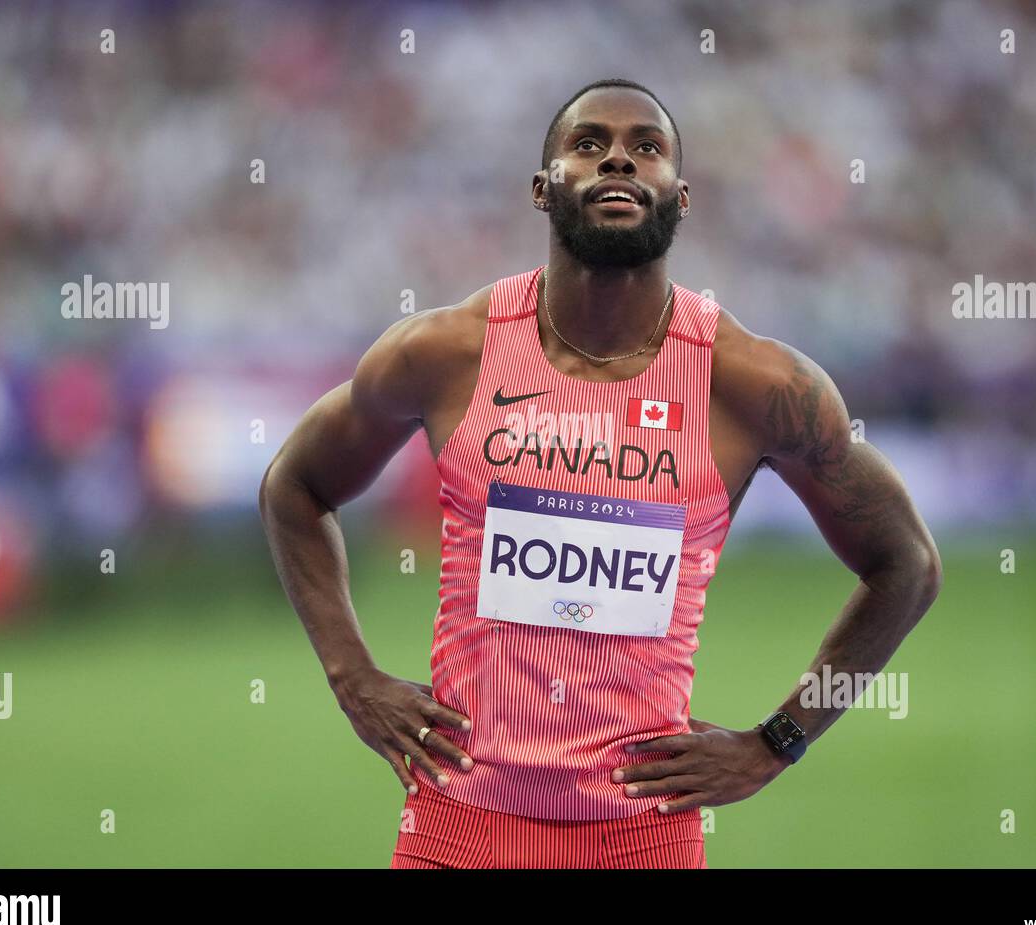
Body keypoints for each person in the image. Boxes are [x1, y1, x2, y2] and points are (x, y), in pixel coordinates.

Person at [259, 78, 942, 868]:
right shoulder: (444, 355)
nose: (619, 156)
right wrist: (353, 677)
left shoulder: (754, 384)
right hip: (457, 827)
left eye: (647, 147)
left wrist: (776, 743)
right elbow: (295, 486)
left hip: (643, 837)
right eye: (588, 143)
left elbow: (907, 564)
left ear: (680, 198)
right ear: (542, 188)